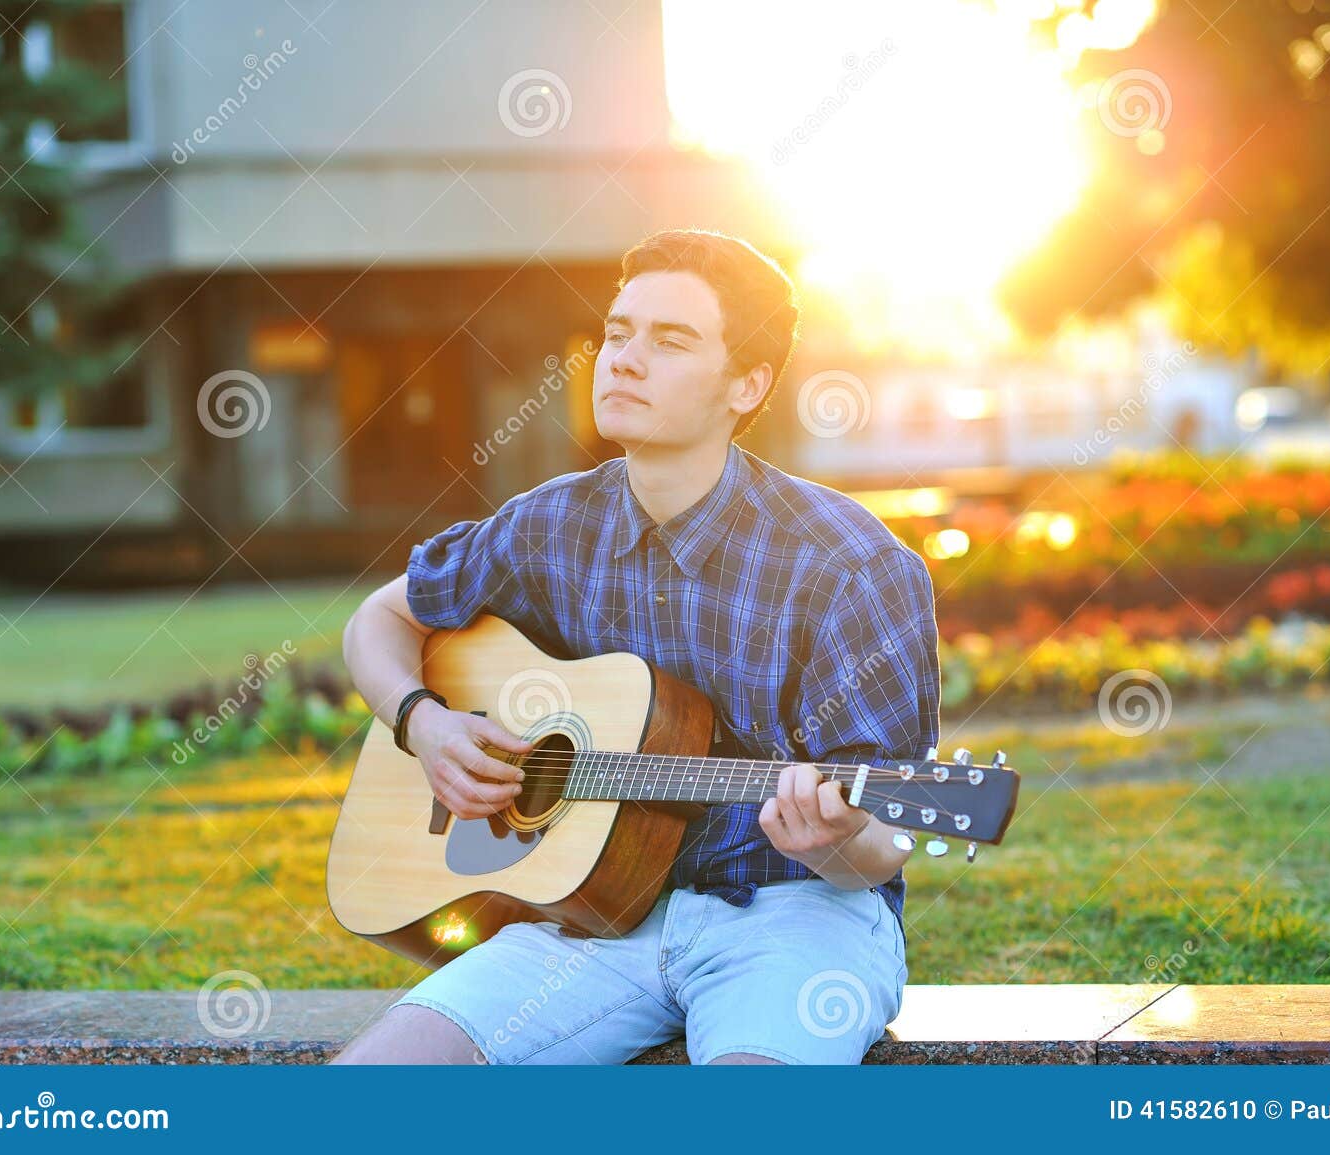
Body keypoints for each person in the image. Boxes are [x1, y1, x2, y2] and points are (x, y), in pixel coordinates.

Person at [332, 228, 940, 1065]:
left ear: (747, 384)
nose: (621, 358)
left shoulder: (851, 566)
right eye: (618, 332)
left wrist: (830, 836)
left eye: (670, 340)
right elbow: (378, 620)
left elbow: (879, 847)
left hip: (796, 917)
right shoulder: (549, 523)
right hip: (585, 922)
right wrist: (423, 724)